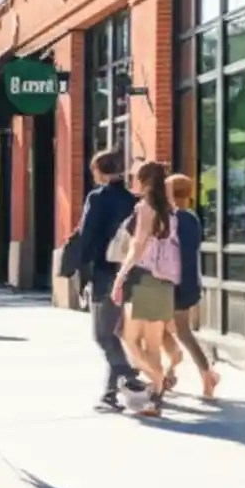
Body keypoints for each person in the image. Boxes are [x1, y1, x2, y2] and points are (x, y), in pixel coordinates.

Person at [111, 161, 183, 417]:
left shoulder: (145, 207)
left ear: (145, 181)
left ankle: (157, 379)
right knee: (152, 344)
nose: (133, 181)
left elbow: (137, 245)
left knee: (128, 338)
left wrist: (120, 276)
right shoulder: (170, 210)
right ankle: (154, 400)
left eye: (136, 177)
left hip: (144, 279)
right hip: (164, 282)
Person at [75, 150, 143, 412]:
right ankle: (110, 394)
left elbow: (87, 238)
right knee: (113, 333)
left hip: (104, 273)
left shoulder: (97, 198)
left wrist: (82, 274)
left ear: (99, 171)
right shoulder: (132, 199)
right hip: (129, 273)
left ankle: (129, 375)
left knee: (102, 335)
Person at [160, 174, 220, 398]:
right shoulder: (193, 219)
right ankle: (205, 374)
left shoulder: (169, 219)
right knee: (183, 331)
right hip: (189, 283)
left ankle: (169, 368)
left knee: (155, 329)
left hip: (168, 283)